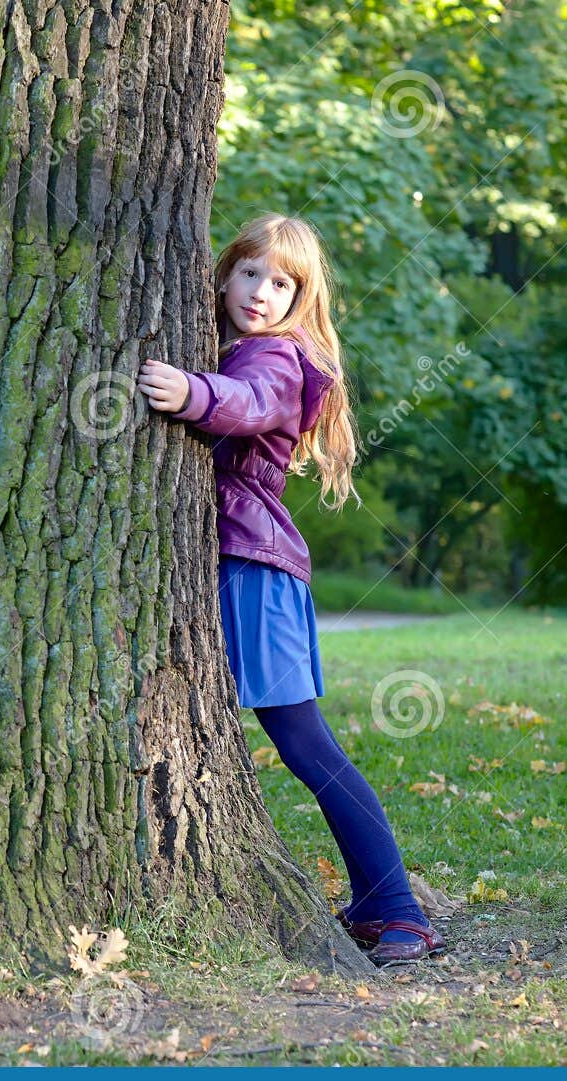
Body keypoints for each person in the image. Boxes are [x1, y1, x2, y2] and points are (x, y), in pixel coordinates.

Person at [136, 212, 446, 965]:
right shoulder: (237, 347)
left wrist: (191, 392)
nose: (262, 293)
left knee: (308, 745)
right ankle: (379, 903)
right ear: (224, 271)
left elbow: (251, 403)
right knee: (303, 743)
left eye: (284, 284)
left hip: (256, 572)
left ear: (301, 301)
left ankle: (399, 909)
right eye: (251, 273)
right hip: (247, 566)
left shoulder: (275, 357)